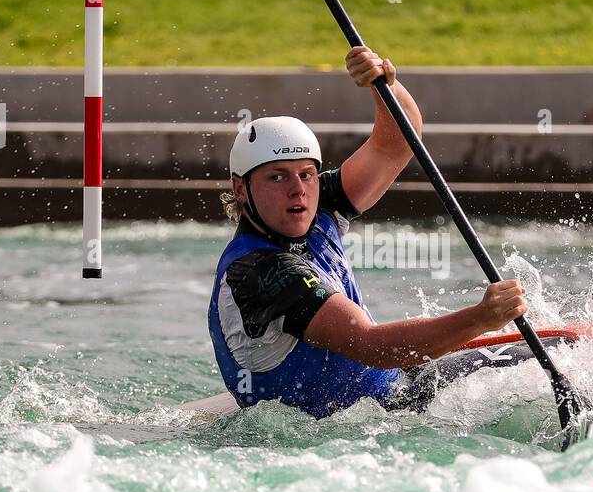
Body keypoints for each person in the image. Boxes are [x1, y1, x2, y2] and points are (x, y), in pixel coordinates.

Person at [208, 46, 527, 417]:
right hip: (364, 421)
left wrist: (382, 85)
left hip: (393, 392)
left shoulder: (313, 204)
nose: (298, 190)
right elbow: (370, 345)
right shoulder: (260, 273)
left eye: (306, 174)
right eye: (277, 177)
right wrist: (480, 318)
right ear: (240, 189)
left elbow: (395, 145)